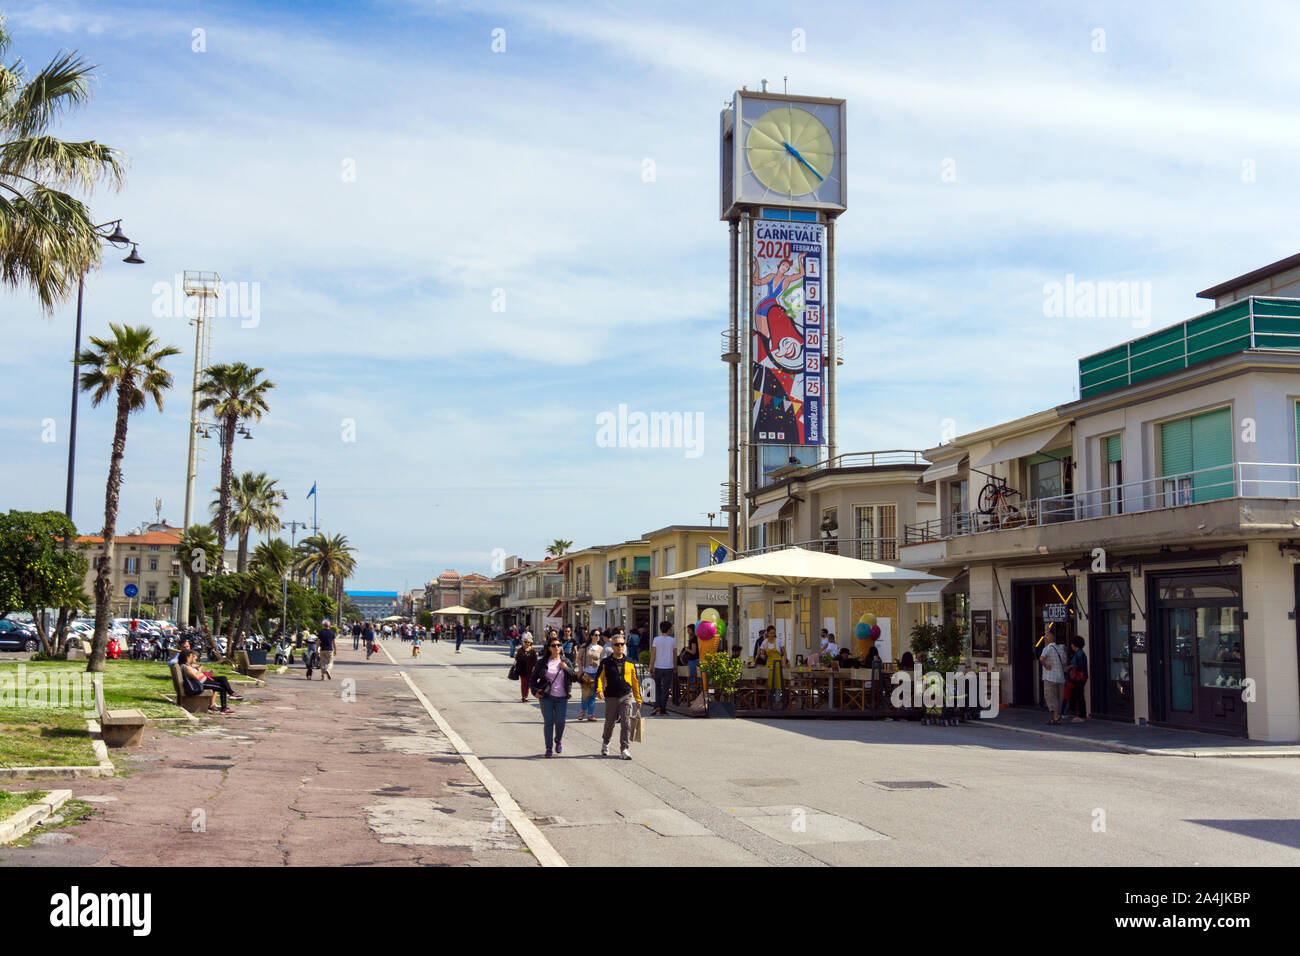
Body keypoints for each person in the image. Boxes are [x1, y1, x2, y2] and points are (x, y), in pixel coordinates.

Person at [596, 630, 642, 759]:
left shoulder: (630, 662)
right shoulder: (606, 662)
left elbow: (635, 681)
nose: (620, 646)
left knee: (626, 723)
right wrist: (599, 690)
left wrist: (638, 698)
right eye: (617, 644)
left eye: (622, 644)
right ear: (612, 646)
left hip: (626, 696)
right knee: (610, 723)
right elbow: (599, 678)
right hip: (611, 696)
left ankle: (624, 749)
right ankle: (606, 742)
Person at [532, 634, 580, 757]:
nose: (557, 647)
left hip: (562, 697)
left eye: (559, 645)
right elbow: (533, 679)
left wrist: (566, 668)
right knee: (548, 722)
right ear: (549, 648)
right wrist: (535, 691)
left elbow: (574, 677)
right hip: (546, 696)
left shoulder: (566, 661)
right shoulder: (543, 662)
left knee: (560, 722)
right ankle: (548, 748)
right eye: (554, 645)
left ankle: (558, 740)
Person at [180, 649, 243, 714]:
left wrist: (197, 668)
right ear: (187, 657)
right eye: (191, 656)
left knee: (223, 678)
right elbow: (196, 677)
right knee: (222, 687)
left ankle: (232, 693)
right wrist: (199, 670)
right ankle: (224, 708)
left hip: (204, 680)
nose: (192, 658)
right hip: (201, 683)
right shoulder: (186, 667)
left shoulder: (187, 666)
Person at [1040, 632, 1068, 725]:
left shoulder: (1047, 648)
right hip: (1060, 677)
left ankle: (1055, 718)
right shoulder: (1060, 649)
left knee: (1051, 697)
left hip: (1050, 677)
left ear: (1046, 640)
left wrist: (1045, 665)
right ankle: (1057, 716)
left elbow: (1041, 659)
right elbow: (1064, 662)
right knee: (1059, 698)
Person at [650, 620, 677, 716]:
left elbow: (653, 654)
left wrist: (651, 666)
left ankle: (656, 705)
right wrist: (675, 666)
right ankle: (663, 709)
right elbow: (674, 655)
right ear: (669, 629)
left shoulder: (656, 639)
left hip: (658, 666)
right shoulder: (673, 640)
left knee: (657, 687)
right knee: (666, 688)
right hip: (669, 666)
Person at [576, 629, 603, 721]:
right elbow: (579, 658)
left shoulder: (600, 648)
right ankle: (582, 711)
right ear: (591, 636)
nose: (597, 636)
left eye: (599, 635)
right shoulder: (585, 646)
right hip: (586, 672)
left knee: (593, 695)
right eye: (595, 635)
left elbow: (602, 661)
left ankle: (590, 714)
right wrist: (580, 670)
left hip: (596, 673)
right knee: (586, 693)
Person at [760, 625, 786, 709]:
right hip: (769, 664)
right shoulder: (764, 642)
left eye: (774, 633)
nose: (772, 634)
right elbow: (762, 653)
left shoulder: (779, 641)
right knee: (769, 682)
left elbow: (784, 653)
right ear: (767, 633)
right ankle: (770, 701)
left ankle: (777, 701)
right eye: (771, 633)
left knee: (778, 682)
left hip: (778, 663)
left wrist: (784, 662)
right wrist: (763, 656)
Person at [1064, 636, 1088, 722]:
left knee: (1079, 696)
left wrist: (1071, 666)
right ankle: (1075, 712)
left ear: (1075, 645)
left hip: (1079, 678)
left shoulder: (1080, 654)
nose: (1071, 645)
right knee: (1075, 695)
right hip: (1076, 678)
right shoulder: (1078, 653)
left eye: (1072, 644)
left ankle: (1082, 716)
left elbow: (1081, 666)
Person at [514, 635, 538, 703]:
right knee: (523, 683)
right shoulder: (520, 650)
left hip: (530, 669)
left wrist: (534, 667)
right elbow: (516, 658)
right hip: (522, 669)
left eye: (528, 642)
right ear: (523, 642)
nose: (527, 643)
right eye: (525, 642)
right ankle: (523, 696)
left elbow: (535, 660)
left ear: (530, 643)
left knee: (527, 683)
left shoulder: (533, 650)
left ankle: (526, 696)